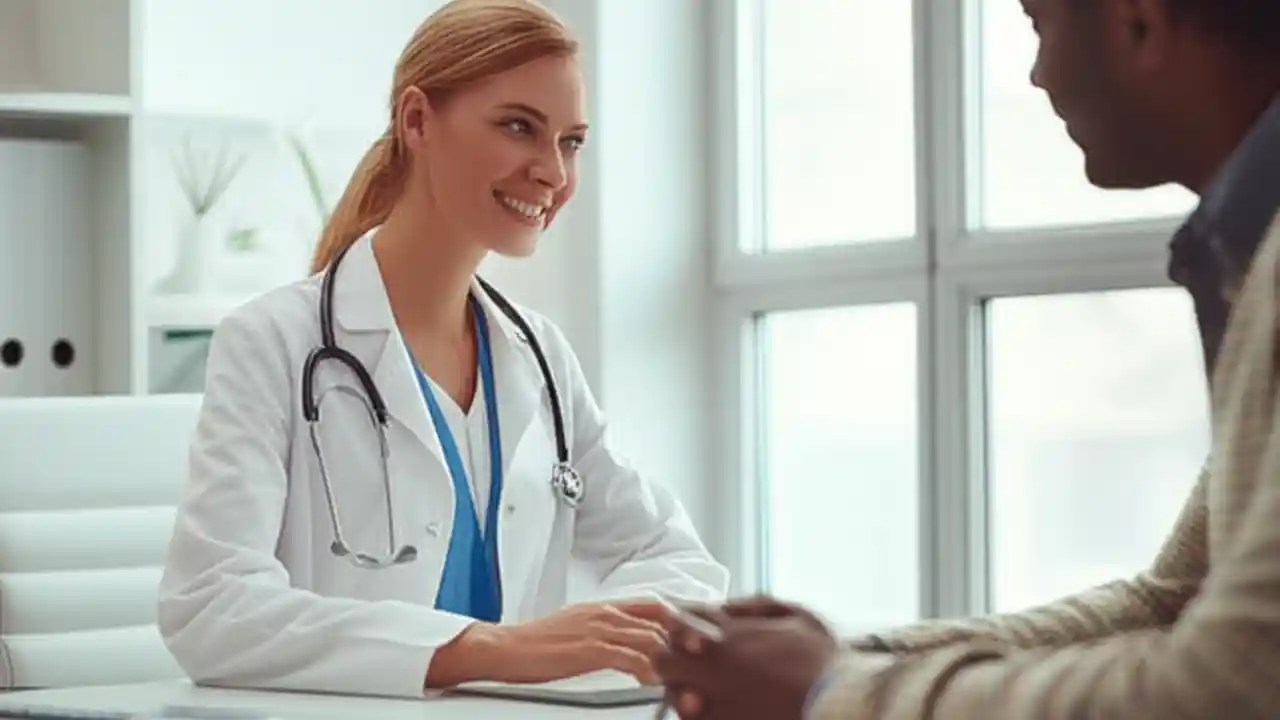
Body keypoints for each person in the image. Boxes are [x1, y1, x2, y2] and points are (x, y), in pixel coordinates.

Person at [656, 0, 1280, 717]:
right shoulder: (1252, 259)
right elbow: (1170, 601)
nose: (1039, 74)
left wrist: (828, 691)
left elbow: (1233, 681)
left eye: (1039, 22)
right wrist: (844, 660)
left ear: (1138, 22)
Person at [157, 0, 727, 699]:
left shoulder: (537, 356)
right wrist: (492, 648)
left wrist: (599, 637)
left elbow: (670, 553)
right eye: (520, 126)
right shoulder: (273, 343)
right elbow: (211, 610)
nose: (553, 171)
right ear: (418, 120)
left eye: (572, 141)